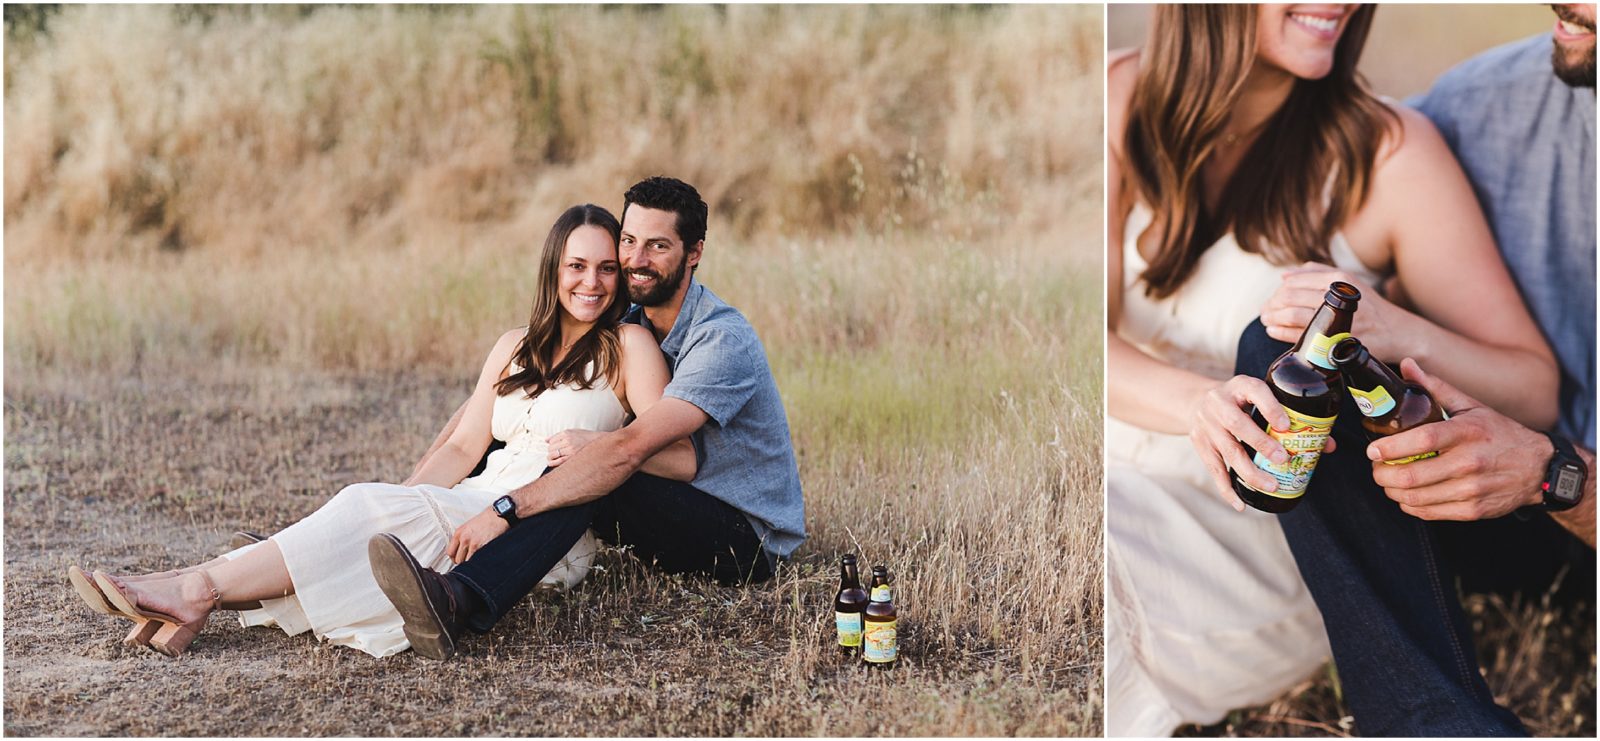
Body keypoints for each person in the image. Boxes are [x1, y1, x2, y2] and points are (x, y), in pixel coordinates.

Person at [1104, 4, 1559, 736]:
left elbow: (1533, 386)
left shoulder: (1387, 153)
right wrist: (1198, 404)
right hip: (1117, 462)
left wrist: (1396, 324)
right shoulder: (1122, 96)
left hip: (1273, 524)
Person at [67, 203, 697, 658]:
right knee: (375, 509)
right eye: (576, 266)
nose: (591, 283)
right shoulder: (514, 347)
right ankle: (195, 591)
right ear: (552, 270)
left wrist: (606, 445)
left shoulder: (629, 345)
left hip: (535, 530)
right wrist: (404, 498)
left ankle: (194, 588)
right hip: (468, 500)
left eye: (607, 270)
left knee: (364, 516)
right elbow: (460, 445)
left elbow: (677, 458)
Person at [1234, 3, 1597, 734]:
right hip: (1509, 518)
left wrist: (1552, 473)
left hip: (1566, 490)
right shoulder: (1474, 108)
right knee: (1296, 351)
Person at [367, 176, 806, 661]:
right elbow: (486, 409)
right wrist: (403, 492)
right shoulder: (632, 323)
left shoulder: (721, 340)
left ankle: (458, 598)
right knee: (518, 434)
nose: (637, 259)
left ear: (694, 252)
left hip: (744, 536)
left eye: (658, 246)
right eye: (630, 241)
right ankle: (405, 528)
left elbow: (633, 449)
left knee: (598, 469)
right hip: (669, 498)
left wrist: (506, 509)